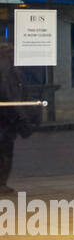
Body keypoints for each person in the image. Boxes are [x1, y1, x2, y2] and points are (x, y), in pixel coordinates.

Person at [0, 50, 33, 196]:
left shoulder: (9, 68)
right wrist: (21, 116)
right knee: (5, 151)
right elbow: (9, 94)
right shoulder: (8, 69)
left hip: (5, 115)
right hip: (6, 116)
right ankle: (1, 184)